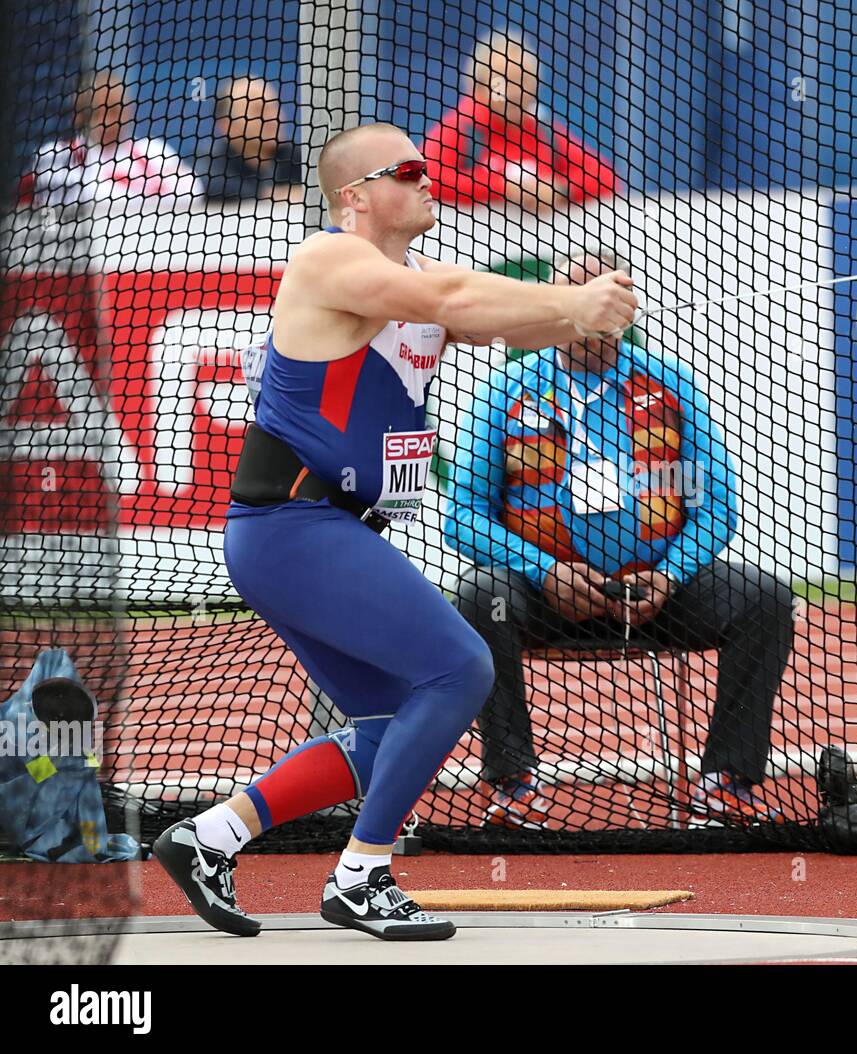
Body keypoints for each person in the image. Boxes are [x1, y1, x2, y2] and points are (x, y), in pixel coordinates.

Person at [151, 122, 637, 941]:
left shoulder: (412, 277)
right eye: (406, 170)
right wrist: (570, 303)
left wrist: (582, 313)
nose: (426, 178)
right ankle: (361, 874)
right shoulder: (330, 259)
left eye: (426, 167)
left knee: (385, 730)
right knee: (458, 671)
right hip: (294, 525)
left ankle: (208, 837)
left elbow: (502, 319)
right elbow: (454, 303)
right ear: (356, 196)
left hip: (325, 533)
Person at [445, 251, 796, 828]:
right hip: (545, 599)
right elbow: (463, 515)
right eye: (574, 294)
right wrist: (544, 572)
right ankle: (513, 785)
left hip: (657, 600)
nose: (590, 310)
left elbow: (715, 508)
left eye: (605, 295)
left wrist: (669, 574)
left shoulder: (670, 387)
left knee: (764, 597)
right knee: (483, 596)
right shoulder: (506, 390)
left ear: (628, 310)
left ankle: (727, 780)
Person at [420, 28, 621, 213]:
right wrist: (502, 187)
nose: (515, 92)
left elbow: (605, 177)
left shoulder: (544, 131)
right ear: (479, 86)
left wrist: (559, 189)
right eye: (502, 81)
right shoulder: (462, 127)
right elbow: (426, 178)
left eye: (523, 80)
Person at [17, 70, 203, 213]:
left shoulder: (153, 151)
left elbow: (193, 190)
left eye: (114, 111)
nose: (107, 121)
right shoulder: (54, 157)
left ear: (128, 111)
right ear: (78, 116)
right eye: (97, 113)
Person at [200, 76, 304, 203]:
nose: (273, 117)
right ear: (228, 125)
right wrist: (269, 197)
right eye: (259, 111)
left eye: (274, 107)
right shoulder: (208, 167)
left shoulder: (302, 159)